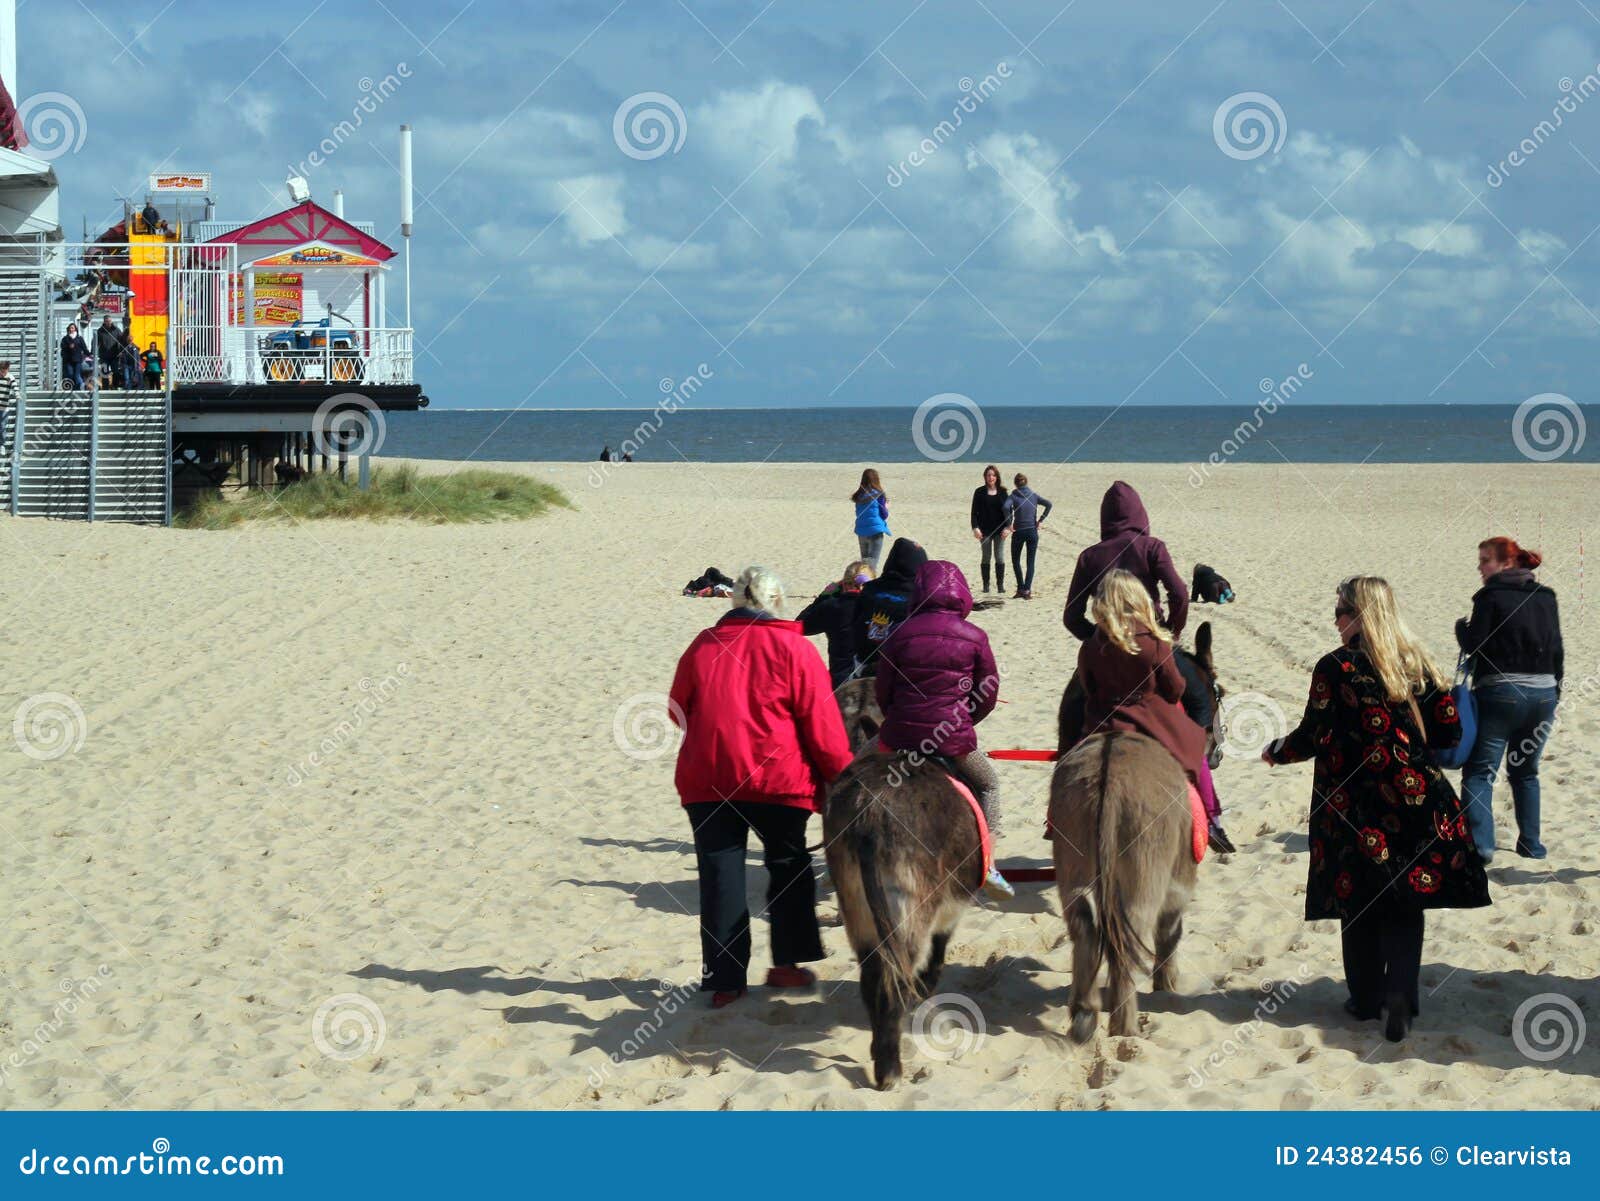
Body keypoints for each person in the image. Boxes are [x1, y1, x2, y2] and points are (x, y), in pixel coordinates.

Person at [1264, 576, 1489, 1041]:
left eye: (1342, 611)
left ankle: (1366, 999)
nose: (1336, 619)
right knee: (1406, 898)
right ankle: (1401, 997)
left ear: (1360, 615)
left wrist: (1277, 750)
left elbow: (1313, 735)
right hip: (1417, 797)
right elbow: (1448, 737)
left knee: (1358, 897)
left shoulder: (1336, 666)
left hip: (1351, 804)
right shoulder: (1419, 663)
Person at [669, 565, 854, 1009]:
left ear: (734, 601)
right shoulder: (794, 648)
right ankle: (786, 964)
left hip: (710, 778)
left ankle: (725, 981)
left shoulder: (704, 645)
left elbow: (676, 710)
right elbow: (822, 724)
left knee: (720, 877)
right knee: (788, 867)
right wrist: (841, 775)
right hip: (778, 780)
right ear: (777, 602)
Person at [874, 559, 1012, 900]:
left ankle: (843, 855)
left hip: (900, 736)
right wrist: (964, 722)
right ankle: (988, 865)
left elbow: (883, 690)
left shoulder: (899, 633)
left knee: (855, 777)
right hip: (953, 739)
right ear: (962, 594)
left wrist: (898, 719)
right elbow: (988, 692)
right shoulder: (975, 636)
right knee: (989, 786)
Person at [1074, 569, 1215, 832]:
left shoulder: (1090, 646)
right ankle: (1210, 819)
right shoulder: (1155, 644)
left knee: (1069, 760)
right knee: (1196, 745)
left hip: (1102, 722)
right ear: (1138, 601)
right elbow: (1174, 689)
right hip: (1151, 721)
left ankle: (1056, 821)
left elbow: (1089, 687)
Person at [1455, 536, 1563, 862]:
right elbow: (1557, 649)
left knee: (1480, 772)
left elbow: (1475, 643)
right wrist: (1555, 692)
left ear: (1507, 563)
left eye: (1485, 560)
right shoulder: (1546, 596)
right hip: (1543, 694)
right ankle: (1532, 844)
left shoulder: (1490, 596)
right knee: (1525, 771)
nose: (1480, 568)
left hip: (1501, 693)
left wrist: (1461, 629)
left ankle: (1482, 845)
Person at [1064, 481, 1187, 641]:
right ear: (1140, 513)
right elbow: (1180, 594)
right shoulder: (1152, 547)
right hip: (1150, 633)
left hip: (1108, 638)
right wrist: (1171, 631)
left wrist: (1095, 636)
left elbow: (1072, 616)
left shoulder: (1089, 557)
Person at [850, 537, 927, 678]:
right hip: (901, 669)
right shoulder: (920, 597)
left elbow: (854, 624)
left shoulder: (869, 589)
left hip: (865, 663)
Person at [797, 560, 876, 688]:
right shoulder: (879, 608)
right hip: (871, 680)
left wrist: (825, 594)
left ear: (843, 585)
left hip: (841, 681)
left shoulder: (832, 607)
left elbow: (800, 624)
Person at [1002, 472, 1052, 599]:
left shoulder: (1013, 495)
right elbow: (1049, 504)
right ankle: (1027, 590)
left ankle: (1020, 588)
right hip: (1032, 532)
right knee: (1030, 562)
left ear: (1016, 483)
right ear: (1026, 482)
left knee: (1016, 561)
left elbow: (1005, 507)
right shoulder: (1033, 495)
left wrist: (1009, 523)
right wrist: (1040, 520)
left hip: (1018, 532)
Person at [969, 464, 1010, 594]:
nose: (991, 477)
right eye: (988, 475)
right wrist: (975, 528)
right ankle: (986, 586)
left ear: (997, 477)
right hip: (984, 531)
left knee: (999, 557)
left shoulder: (1003, 492)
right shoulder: (979, 492)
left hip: (1000, 531)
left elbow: (1010, 512)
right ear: (985, 477)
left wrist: (1008, 528)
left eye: (993, 475)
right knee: (986, 557)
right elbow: (974, 512)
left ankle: (1000, 585)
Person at [852, 468, 890, 570]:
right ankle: (868, 583)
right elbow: (884, 514)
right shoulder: (879, 494)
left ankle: (863, 583)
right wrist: (886, 507)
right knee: (872, 563)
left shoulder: (859, 496)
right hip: (875, 532)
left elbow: (858, 513)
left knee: (865, 563)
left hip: (862, 531)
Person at [59, 324, 89, 391]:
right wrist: (68, 347)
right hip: (68, 360)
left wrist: (89, 354)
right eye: (70, 328)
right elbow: (62, 348)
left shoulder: (79, 338)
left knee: (77, 375)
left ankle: (82, 387)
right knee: (70, 374)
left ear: (75, 329)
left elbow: (84, 348)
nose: (71, 329)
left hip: (77, 360)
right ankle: (74, 388)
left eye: (72, 328)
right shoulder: (65, 339)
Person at [95, 317, 121, 389]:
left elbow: (122, 341)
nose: (108, 322)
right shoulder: (100, 331)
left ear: (111, 321)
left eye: (109, 321)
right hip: (104, 356)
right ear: (104, 322)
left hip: (114, 355)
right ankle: (105, 388)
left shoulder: (116, 330)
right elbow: (95, 342)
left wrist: (121, 351)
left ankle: (115, 386)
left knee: (116, 371)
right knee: (104, 373)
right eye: (107, 321)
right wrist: (93, 352)